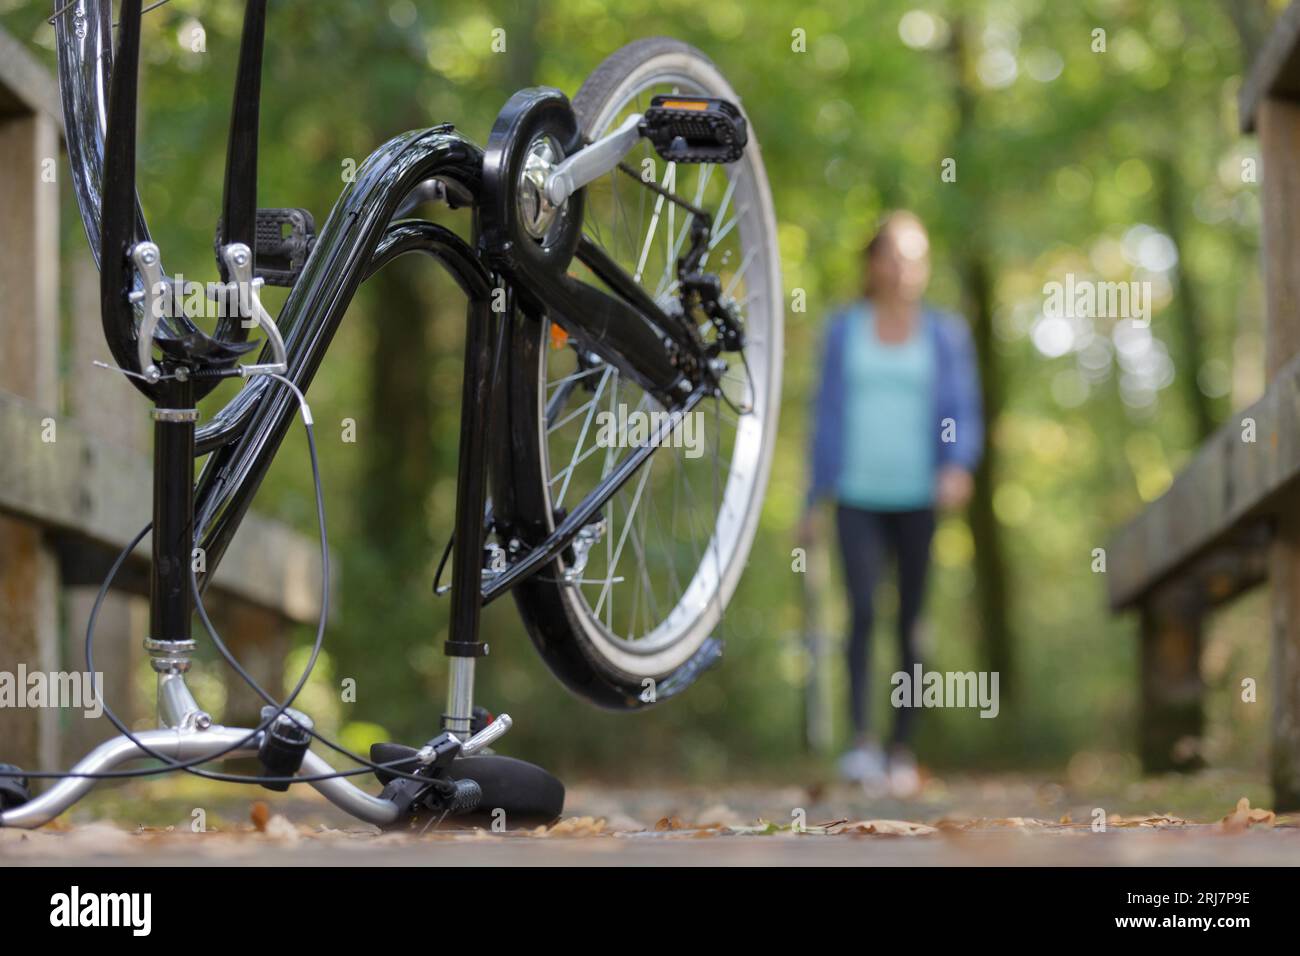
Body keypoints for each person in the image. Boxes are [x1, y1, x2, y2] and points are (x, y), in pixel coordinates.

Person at [800, 211, 983, 795]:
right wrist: (812, 499)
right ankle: (861, 745)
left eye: (916, 258)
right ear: (874, 264)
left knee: (912, 622)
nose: (906, 269)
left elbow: (961, 410)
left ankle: (902, 749)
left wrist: (956, 464)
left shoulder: (945, 333)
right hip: (856, 493)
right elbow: (824, 416)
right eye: (896, 257)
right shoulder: (843, 329)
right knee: (860, 613)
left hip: (917, 496)